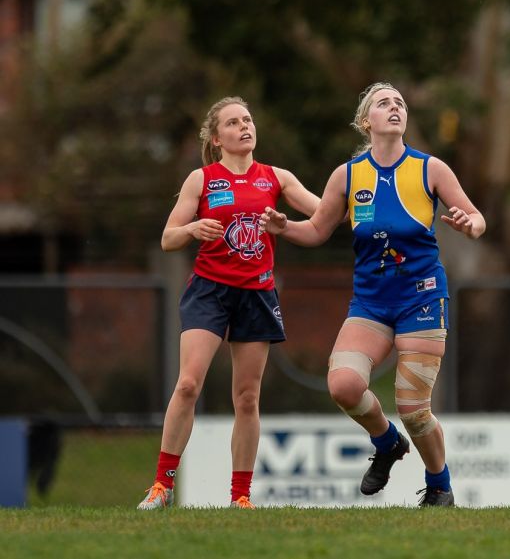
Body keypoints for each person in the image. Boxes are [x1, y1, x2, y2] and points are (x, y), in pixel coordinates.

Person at [261, 83, 484, 507]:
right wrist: (284, 227)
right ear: (368, 122)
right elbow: (318, 229)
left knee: (414, 408)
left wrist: (469, 225)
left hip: (422, 297)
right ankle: (386, 443)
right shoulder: (347, 175)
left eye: (400, 102)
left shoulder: (430, 168)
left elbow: (477, 218)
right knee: (344, 385)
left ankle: (439, 485)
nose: (395, 107)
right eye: (384, 103)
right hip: (371, 302)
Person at [138, 97, 321, 510]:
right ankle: (161, 486)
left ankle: (241, 496)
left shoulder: (276, 177)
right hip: (209, 290)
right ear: (217, 137)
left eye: (248, 119)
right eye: (233, 122)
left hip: (256, 293)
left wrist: (286, 224)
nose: (244, 126)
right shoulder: (201, 180)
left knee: (247, 398)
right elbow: (168, 239)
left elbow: (326, 215)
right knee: (188, 384)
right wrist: (191, 227)